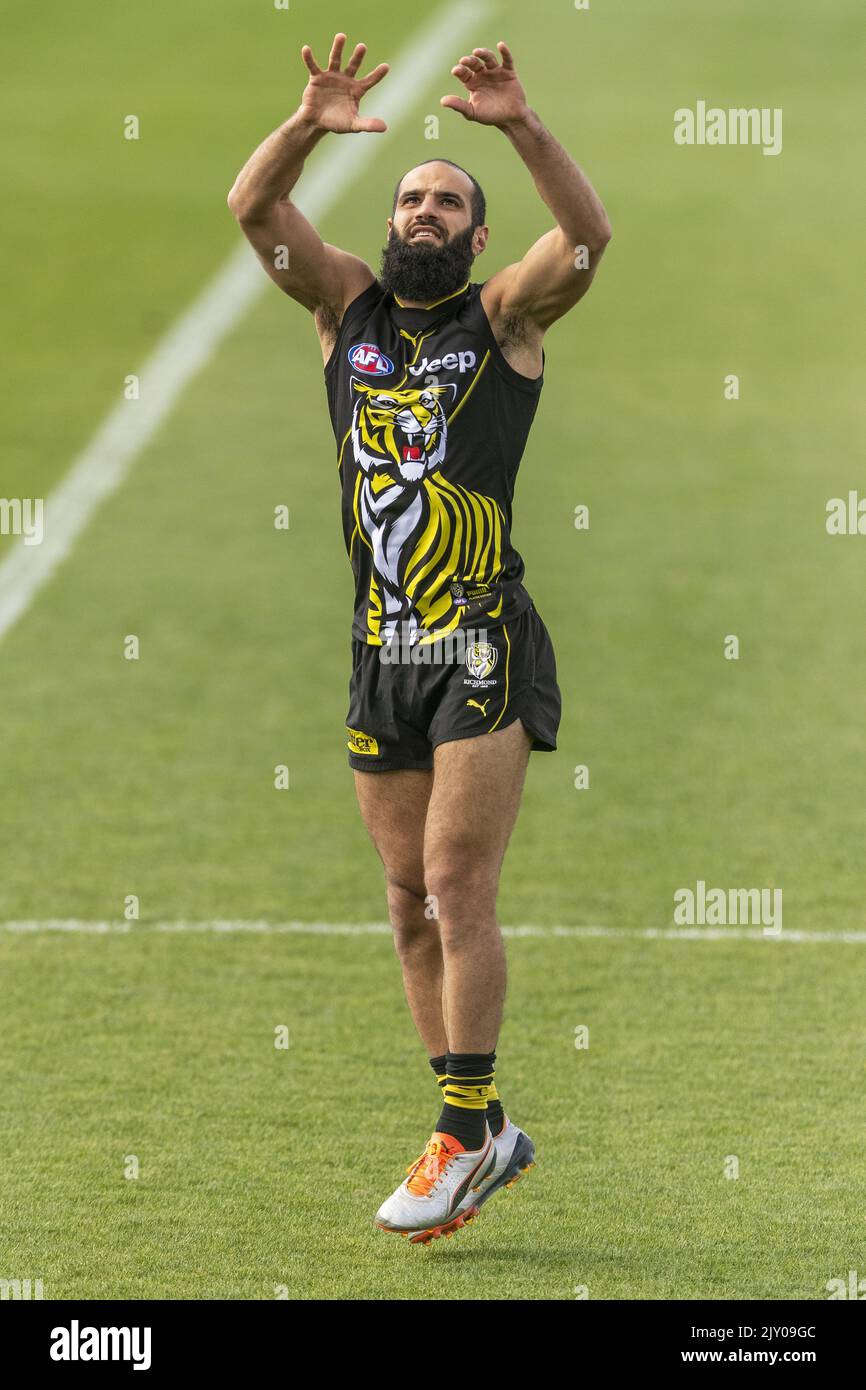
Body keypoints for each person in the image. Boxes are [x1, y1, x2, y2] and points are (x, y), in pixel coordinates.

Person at [228, 32, 611, 1244]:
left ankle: (461, 1129)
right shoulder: (346, 307)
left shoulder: (502, 322)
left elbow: (589, 241)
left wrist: (520, 128)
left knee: (455, 883)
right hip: (375, 646)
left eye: (448, 200)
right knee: (404, 900)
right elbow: (251, 208)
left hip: (478, 638)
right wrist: (305, 122)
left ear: (478, 233)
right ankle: (478, 1127)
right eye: (410, 195)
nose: (424, 209)